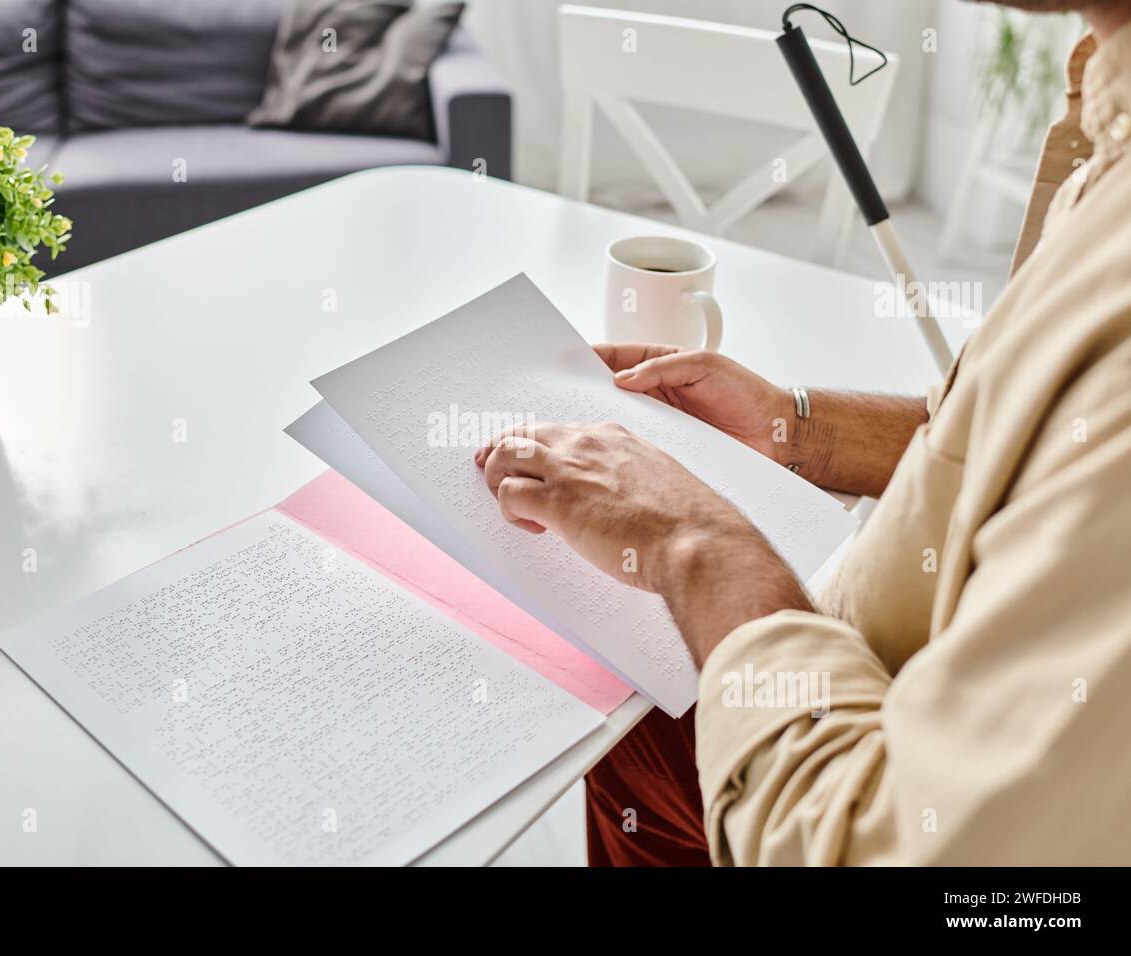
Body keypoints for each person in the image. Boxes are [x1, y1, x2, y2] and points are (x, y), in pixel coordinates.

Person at [475, 0, 1131, 865]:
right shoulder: (1107, 118)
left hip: (885, 753)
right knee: (638, 730)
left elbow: (899, 855)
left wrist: (695, 541)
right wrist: (800, 430)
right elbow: (1038, 444)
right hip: (877, 651)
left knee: (640, 719)